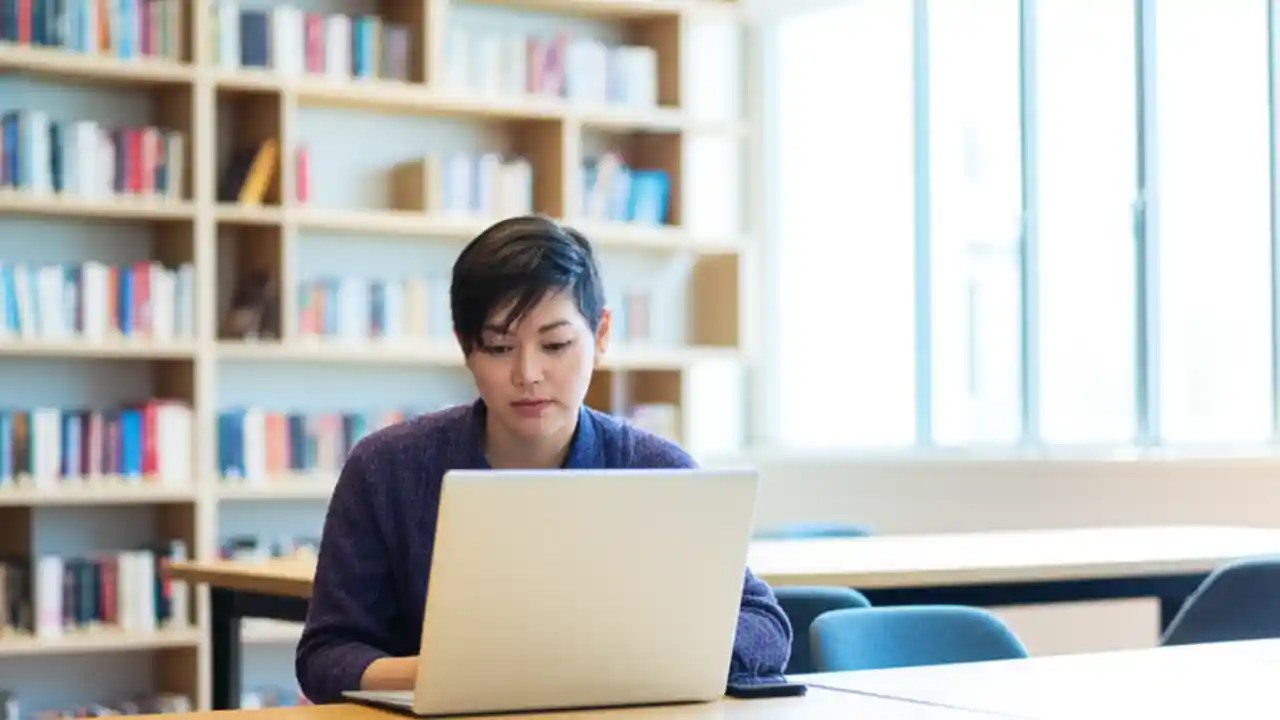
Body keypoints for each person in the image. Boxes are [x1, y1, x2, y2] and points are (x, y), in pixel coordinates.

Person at [294, 215, 792, 703]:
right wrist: (439, 672)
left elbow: (765, 627)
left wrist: (627, 659)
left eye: (555, 345)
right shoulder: (388, 470)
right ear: (466, 348)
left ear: (600, 336)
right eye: (499, 346)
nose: (528, 373)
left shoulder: (656, 471)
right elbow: (325, 655)